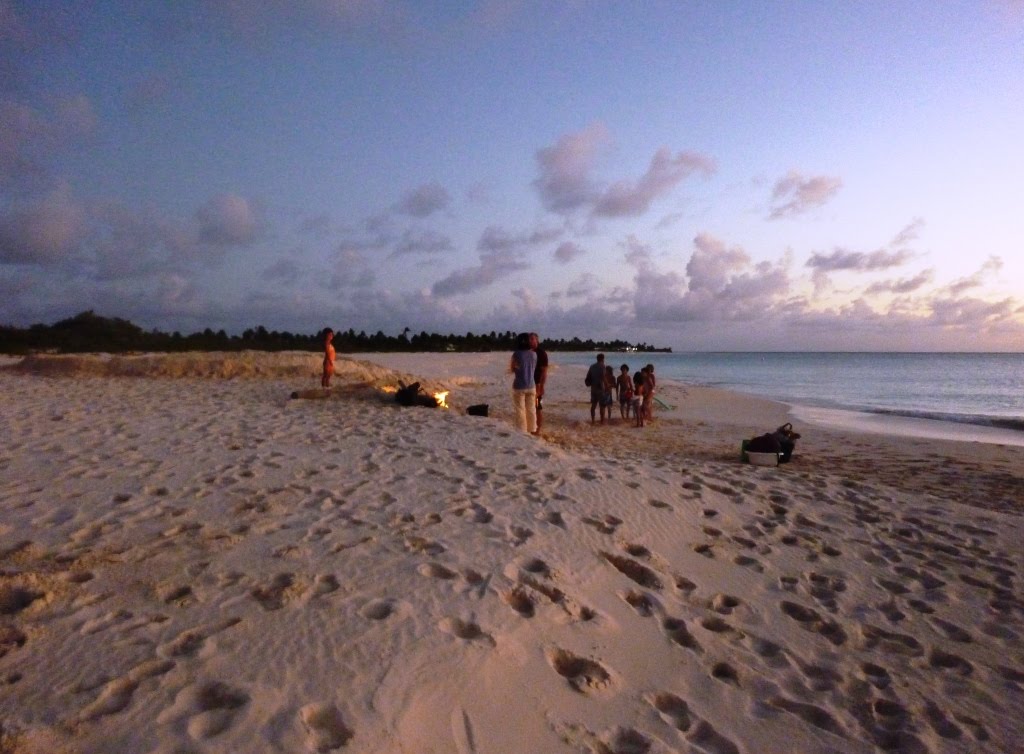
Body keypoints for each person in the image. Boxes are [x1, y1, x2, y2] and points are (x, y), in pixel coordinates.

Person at [510, 332, 537, 433]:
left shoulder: (516, 354)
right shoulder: (534, 354)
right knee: (531, 409)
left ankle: (522, 430)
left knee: (520, 409)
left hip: (519, 385)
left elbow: (513, 368)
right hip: (531, 385)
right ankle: (532, 429)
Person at [530, 333, 548, 435]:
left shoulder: (541, 353)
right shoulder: (527, 352)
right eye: (529, 339)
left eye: (532, 339)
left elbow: (544, 371)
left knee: (538, 407)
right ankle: (531, 427)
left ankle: (538, 430)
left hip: (537, 385)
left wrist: (541, 386)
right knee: (529, 407)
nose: (530, 341)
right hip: (527, 385)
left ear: (537, 341)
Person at [586, 353, 606, 424]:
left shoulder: (592, 366)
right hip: (600, 389)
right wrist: (605, 387)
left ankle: (593, 421)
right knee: (602, 406)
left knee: (593, 405)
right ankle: (602, 421)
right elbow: (603, 378)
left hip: (593, 388)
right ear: (603, 359)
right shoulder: (603, 366)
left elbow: (588, 377)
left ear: (597, 359)